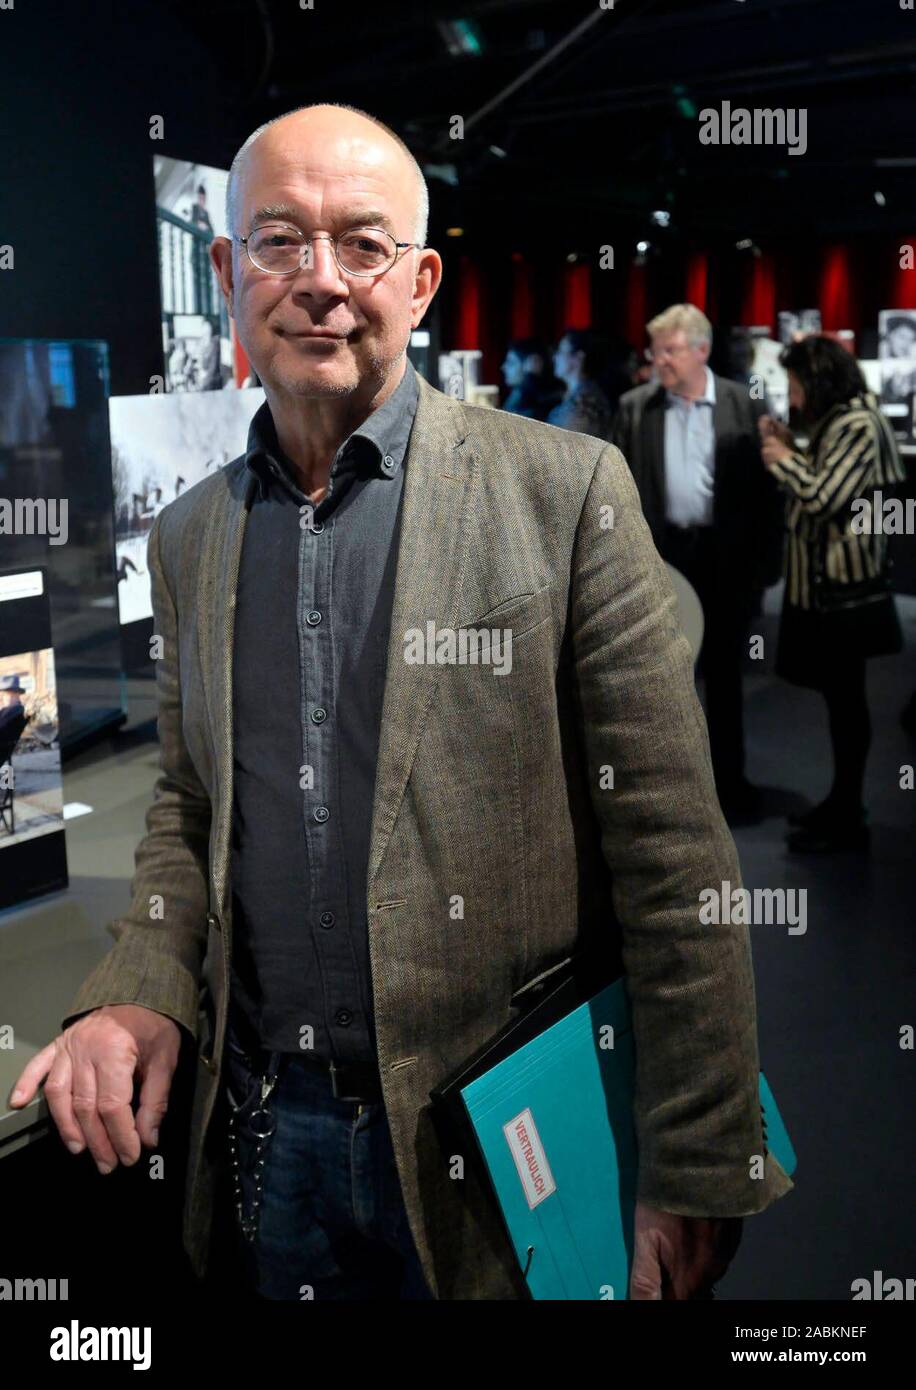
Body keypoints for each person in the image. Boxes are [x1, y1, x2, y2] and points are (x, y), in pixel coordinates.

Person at [10, 104, 792, 1302]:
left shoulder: (563, 493)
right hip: (266, 1134)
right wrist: (137, 990)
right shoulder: (188, 535)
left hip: (500, 1139)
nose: (319, 281)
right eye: (278, 240)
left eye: (362, 244)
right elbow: (185, 804)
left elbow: (674, 854)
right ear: (227, 271)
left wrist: (695, 1153)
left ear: (420, 281)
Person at [612, 304, 785, 821]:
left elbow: (764, 496)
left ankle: (730, 787)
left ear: (701, 351)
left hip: (724, 561)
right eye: (654, 350)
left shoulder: (743, 404)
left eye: (669, 350)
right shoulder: (636, 408)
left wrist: (763, 567)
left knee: (726, 680)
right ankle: (670, 796)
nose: (658, 360)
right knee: (661, 679)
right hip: (662, 561)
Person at [758, 335, 907, 852]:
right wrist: (793, 447)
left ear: (818, 382)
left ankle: (847, 812)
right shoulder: (847, 421)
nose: (793, 399)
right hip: (830, 588)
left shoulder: (858, 424)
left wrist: (780, 455)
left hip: (844, 590)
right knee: (843, 701)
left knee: (846, 702)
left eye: (796, 386)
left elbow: (823, 497)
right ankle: (843, 805)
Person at [547, 328, 614, 440]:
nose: (555, 357)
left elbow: (567, 444)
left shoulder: (585, 402)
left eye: (560, 351)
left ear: (578, 357)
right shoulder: (578, 395)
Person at [500, 337, 562, 421]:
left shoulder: (545, 403)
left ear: (533, 363)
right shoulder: (520, 394)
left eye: (511, 363)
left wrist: (530, 377)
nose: (503, 367)